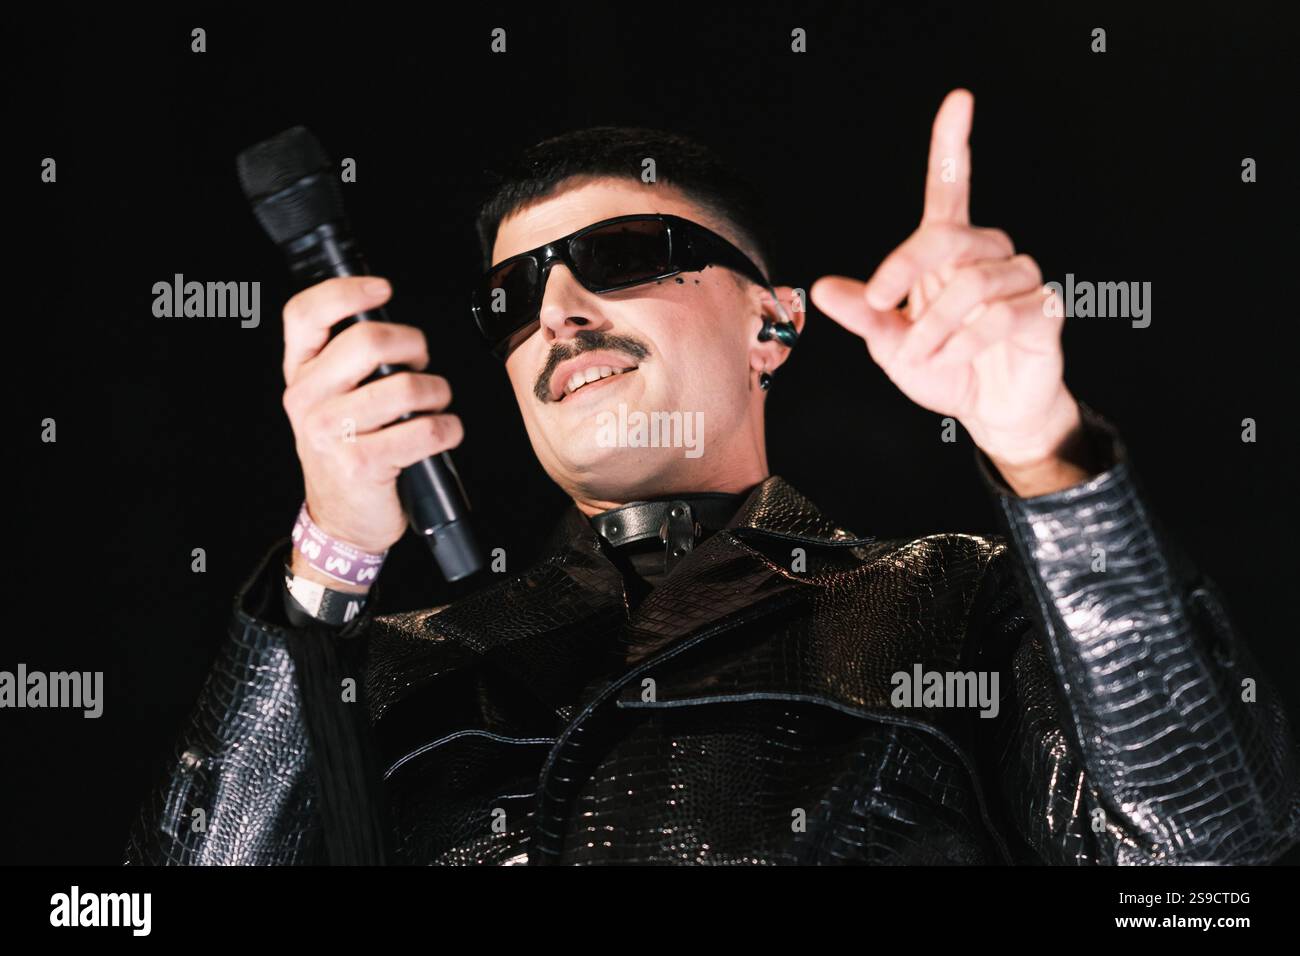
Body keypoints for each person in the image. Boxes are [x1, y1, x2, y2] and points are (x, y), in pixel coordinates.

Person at [125, 90, 1300, 865]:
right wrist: (328, 552)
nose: (559, 314)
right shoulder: (396, 664)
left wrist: (1042, 450)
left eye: (622, 258)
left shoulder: (950, 598)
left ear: (773, 325)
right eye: (514, 299)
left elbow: (1203, 861)